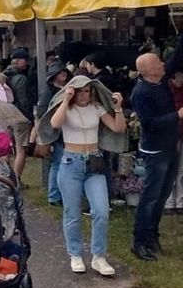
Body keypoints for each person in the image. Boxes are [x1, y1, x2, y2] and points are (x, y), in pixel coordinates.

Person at [131, 13, 183, 260]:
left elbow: (177, 56)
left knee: (162, 195)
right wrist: (177, 115)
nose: (162, 63)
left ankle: (152, 236)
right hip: (155, 151)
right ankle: (139, 241)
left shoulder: (160, 78)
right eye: (158, 62)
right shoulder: (141, 93)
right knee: (150, 197)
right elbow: (149, 124)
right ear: (148, 71)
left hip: (170, 147)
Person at [47, 76, 126, 276]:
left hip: (94, 161)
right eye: (81, 92)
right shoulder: (68, 108)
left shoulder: (97, 108)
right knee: (72, 212)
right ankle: (75, 254)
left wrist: (118, 108)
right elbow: (55, 124)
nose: (84, 96)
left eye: (87, 92)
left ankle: (99, 256)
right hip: (71, 162)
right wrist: (66, 100)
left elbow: (118, 127)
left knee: (101, 210)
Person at [34, 61, 73, 205]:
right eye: (60, 73)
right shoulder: (49, 93)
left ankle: (58, 194)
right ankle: (54, 196)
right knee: (57, 163)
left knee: (60, 163)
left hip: (65, 131)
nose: (63, 74)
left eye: (64, 72)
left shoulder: (65, 89)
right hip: (56, 133)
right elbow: (41, 113)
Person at [4, 48, 37, 178]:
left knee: (6, 149)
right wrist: (29, 117)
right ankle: (16, 181)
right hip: (19, 117)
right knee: (20, 150)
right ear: (19, 61)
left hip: (6, 115)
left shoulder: (4, 75)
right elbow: (24, 100)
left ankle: (4, 176)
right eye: (25, 60)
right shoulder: (21, 78)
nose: (27, 63)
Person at [165, 68, 183, 214]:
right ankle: (169, 201)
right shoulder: (166, 91)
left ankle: (180, 202)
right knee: (171, 167)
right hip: (171, 134)